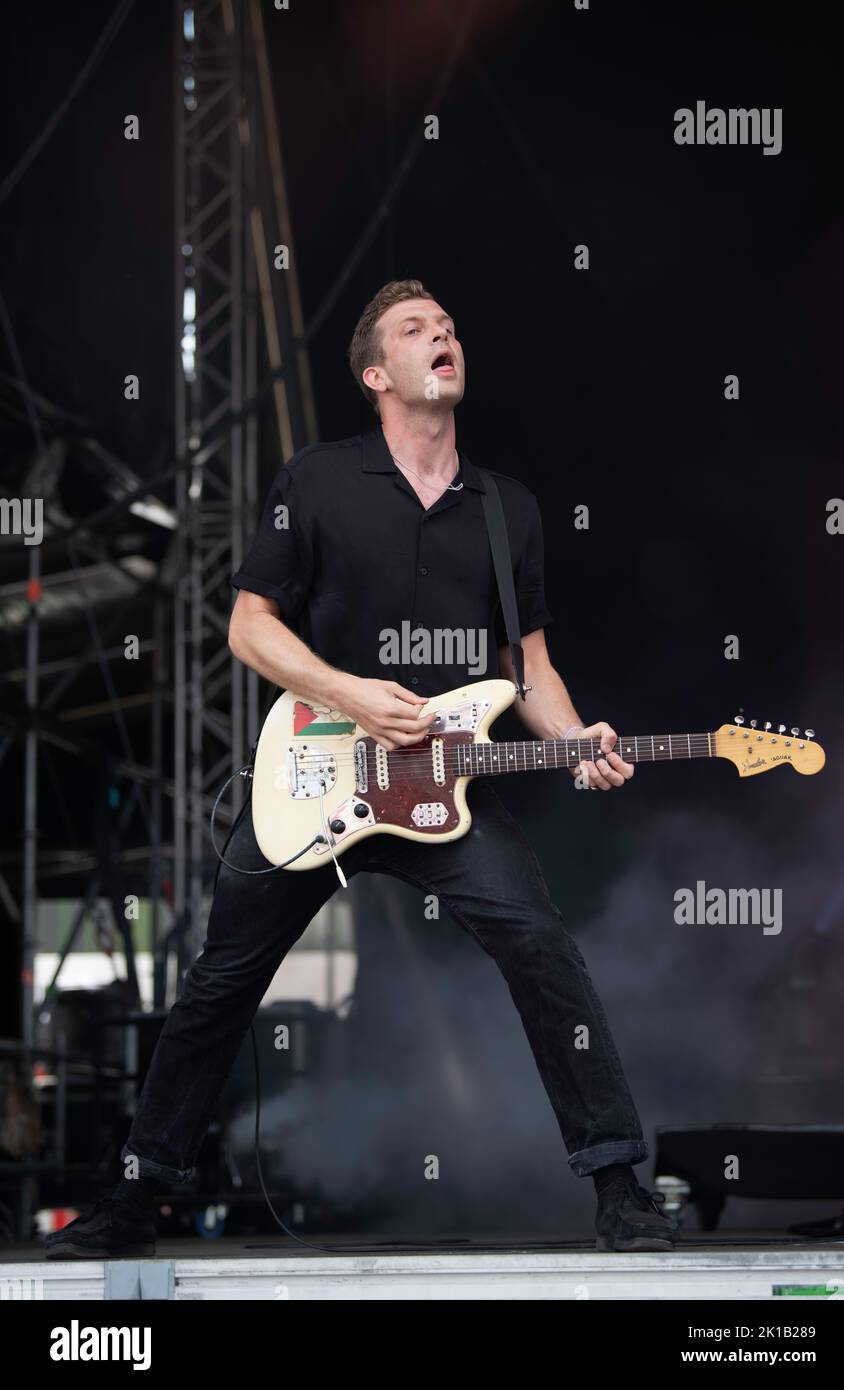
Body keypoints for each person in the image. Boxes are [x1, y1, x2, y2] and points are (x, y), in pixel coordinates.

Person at [46, 279, 677, 1258]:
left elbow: (527, 669)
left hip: (446, 791)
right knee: (219, 982)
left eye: (451, 327)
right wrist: (346, 693)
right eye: (418, 330)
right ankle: (134, 1197)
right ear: (378, 373)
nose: (444, 337)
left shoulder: (507, 509)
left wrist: (573, 738)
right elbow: (249, 627)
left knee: (543, 953)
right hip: (318, 771)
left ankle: (618, 1185)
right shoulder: (318, 480)